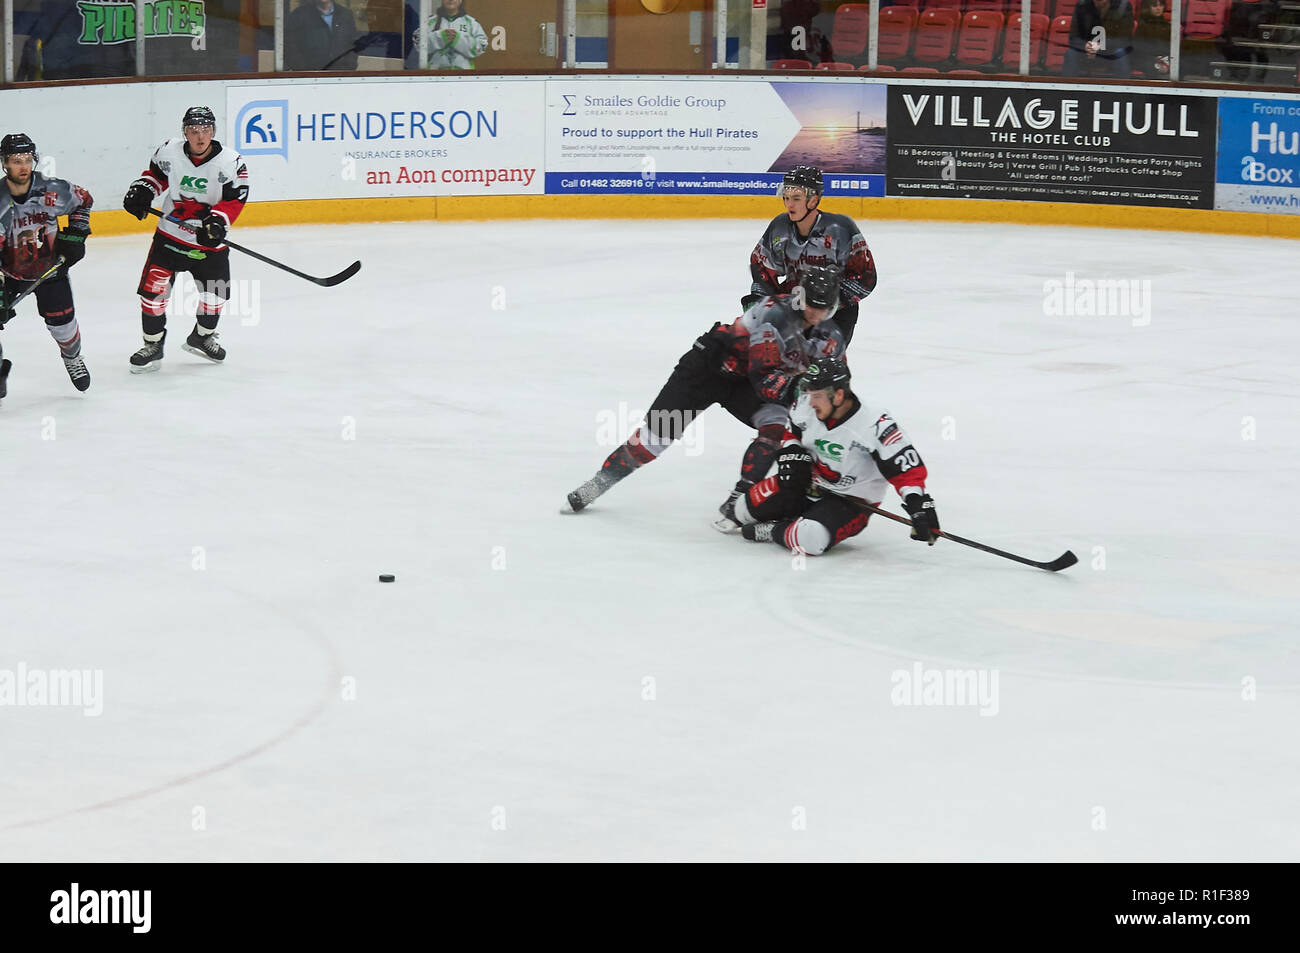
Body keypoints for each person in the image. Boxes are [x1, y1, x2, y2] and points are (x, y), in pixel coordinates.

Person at [565, 268, 847, 521]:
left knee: (777, 427)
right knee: (654, 439)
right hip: (707, 369)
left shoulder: (830, 337)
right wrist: (804, 394)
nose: (815, 314)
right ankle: (599, 483)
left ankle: (738, 501)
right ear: (799, 297)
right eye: (811, 305)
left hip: (744, 382)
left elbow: (836, 386)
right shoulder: (773, 312)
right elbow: (765, 380)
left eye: (823, 308)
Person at [729, 358, 940, 556]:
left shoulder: (875, 424)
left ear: (839, 395)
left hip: (851, 501)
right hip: (807, 485)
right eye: (809, 393)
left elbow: (906, 469)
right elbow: (791, 432)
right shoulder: (806, 404)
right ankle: (798, 518)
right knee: (742, 510)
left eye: (817, 395)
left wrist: (918, 504)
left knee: (810, 539)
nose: (810, 401)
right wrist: (792, 454)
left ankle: (777, 529)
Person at [121, 106, 249, 372]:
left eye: (205, 130)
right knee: (153, 295)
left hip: (208, 243)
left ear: (213, 132)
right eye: (193, 131)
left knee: (215, 297)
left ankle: (202, 337)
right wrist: (143, 189)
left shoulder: (230, 162)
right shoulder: (169, 151)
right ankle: (153, 345)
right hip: (170, 236)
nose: (200, 137)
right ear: (185, 133)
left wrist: (217, 222)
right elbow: (156, 175)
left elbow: (235, 198)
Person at [0, 133, 93, 398]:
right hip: (7, 274)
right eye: (16, 160)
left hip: (50, 269)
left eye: (27, 159)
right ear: (4, 163)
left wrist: (75, 234)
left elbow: (84, 201)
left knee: (63, 324)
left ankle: (72, 357)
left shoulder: (53, 189)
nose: (23, 166)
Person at [747, 166, 877, 346]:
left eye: (796, 198)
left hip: (836, 315)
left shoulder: (840, 229)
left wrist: (825, 303)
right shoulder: (780, 226)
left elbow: (866, 278)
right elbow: (762, 267)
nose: (789, 204)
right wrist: (761, 303)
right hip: (793, 309)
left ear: (813, 200)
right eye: (786, 197)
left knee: (819, 369)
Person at [1064, 0, 1135, 78]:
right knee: (1071, 53)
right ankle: (1068, 88)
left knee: (1120, 53)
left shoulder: (1123, 5)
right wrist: (1085, 46)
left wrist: (1100, 47)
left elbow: (1124, 39)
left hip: (1110, 54)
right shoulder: (1081, 5)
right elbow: (1073, 37)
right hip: (1087, 54)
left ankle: (1123, 88)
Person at [285, 0, 361, 71]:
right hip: (310, 75)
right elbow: (290, 47)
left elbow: (352, 43)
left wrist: (349, 67)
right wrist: (305, 71)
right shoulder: (299, 15)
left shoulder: (345, 14)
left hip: (341, 74)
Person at [419, 0, 488, 70]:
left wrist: (458, 39)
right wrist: (440, 38)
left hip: (463, 76)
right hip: (435, 75)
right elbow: (418, 44)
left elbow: (481, 46)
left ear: (460, 1)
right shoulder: (429, 22)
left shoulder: (471, 23)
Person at [1131, 0, 1171, 79]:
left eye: (1161, 5)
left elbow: (1169, 47)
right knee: (1150, 66)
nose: (1158, 8)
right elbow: (1139, 47)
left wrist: (1165, 62)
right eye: (1155, 6)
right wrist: (1158, 61)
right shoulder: (1142, 24)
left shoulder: (1167, 25)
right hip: (1146, 58)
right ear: (1149, 7)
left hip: (1163, 57)